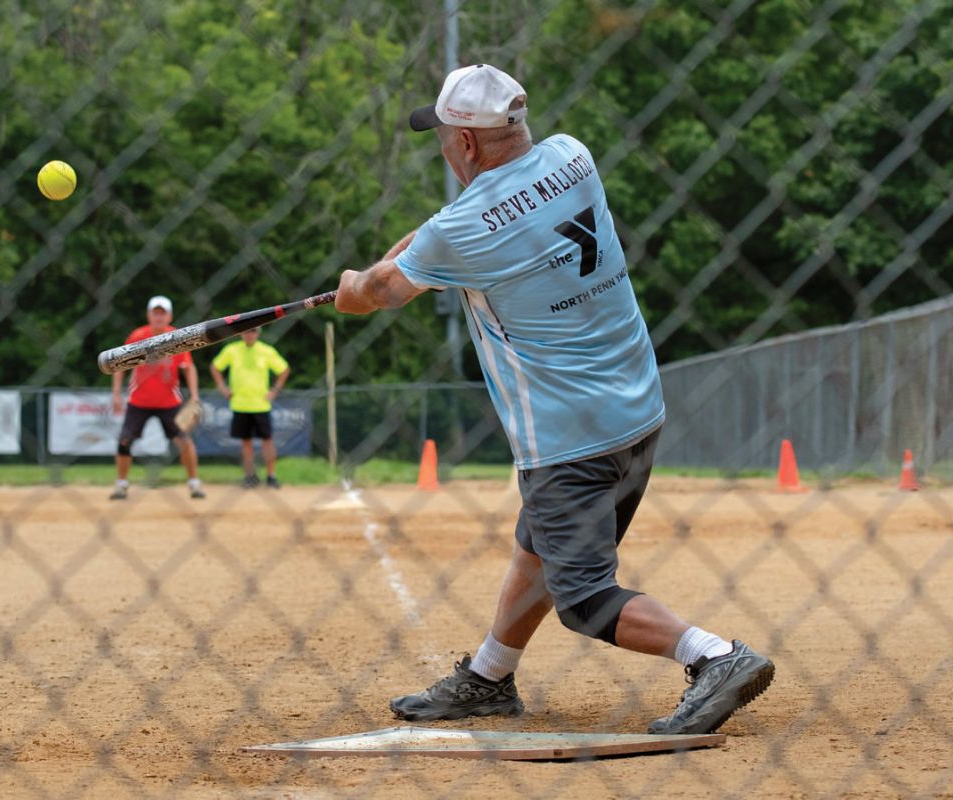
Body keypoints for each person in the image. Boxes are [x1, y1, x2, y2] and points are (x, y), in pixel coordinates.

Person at [334, 64, 774, 735]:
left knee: (585, 598)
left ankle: (714, 655)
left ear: (470, 146)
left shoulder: (466, 229)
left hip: (569, 436)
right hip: (635, 407)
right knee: (536, 545)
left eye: (447, 137)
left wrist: (352, 288)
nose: (444, 147)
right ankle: (488, 677)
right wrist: (391, 265)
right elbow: (438, 236)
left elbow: (381, 292)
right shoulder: (572, 156)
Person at [110, 295, 205, 500]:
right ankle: (121, 484)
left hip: (169, 402)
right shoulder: (138, 336)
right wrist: (116, 393)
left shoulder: (177, 337)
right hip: (139, 401)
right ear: (149, 315)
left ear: (170, 316)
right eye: (155, 312)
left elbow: (188, 368)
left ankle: (194, 483)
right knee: (124, 441)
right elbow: (120, 365)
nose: (159, 317)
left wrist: (194, 397)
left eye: (163, 313)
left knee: (184, 441)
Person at [209, 328, 291, 488]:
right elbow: (215, 367)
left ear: (258, 333)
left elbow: (284, 370)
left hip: (261, 405)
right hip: (240, 404)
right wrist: (222, 387)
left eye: (253, 331)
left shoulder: (266, 350)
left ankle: (271, 476)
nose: (249, 334)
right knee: (246, 443)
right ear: (240, 333)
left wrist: (275, 390)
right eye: (246, 331)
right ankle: (250, 476)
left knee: (267, 441)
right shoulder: (232, 350)